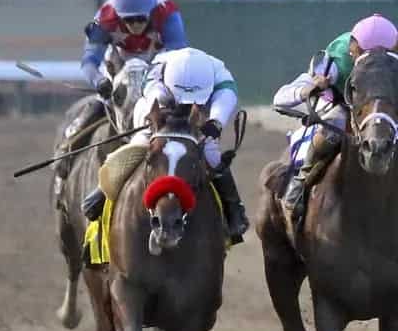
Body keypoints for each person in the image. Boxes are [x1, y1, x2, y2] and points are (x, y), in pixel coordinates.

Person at [83, 46, 250, 243]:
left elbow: (224, 103)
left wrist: (216, 122)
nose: (187, 103)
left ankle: (233, 208)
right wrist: (156, 119)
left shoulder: (221, 78)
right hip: (162, 108)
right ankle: (102, 192)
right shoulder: (157, 73)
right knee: (142, 142)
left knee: (211, 152)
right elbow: (151, 100)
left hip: (201, 114)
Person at [54, 0, 187, 193]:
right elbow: (89, 61)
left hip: (157, 67)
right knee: (90, 115)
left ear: (151, 11)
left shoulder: (168, 13)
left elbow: (179, 57)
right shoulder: (103, 17)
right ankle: (64, 163)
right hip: (118, 68)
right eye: (129, 20)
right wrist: (100, 81)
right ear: (118, 14)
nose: (135, 25)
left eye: (140, 19)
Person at [273, 14, 398, 224]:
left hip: (384, 109)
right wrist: (309, 89)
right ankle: (300, 181)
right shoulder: (335, 60)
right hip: (344, 104)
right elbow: (280, 99)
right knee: (333, 126)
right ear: (354, 50)